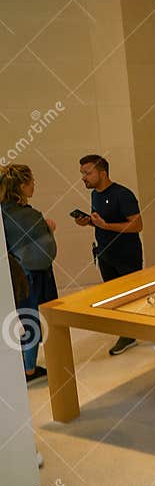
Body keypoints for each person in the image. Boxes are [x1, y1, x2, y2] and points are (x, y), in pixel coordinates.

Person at [75, 155, 151, 355]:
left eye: (87, 173)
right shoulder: (95, 195)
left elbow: (137, 224)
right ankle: (127, 334)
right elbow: (102, 222)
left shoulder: (122, 194)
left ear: (102, 173)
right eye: (82, 173)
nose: (83, 177)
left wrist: (106, 225)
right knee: (115, 299)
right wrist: (89, 222)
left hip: (127, 255)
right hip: (105, 254)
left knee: (136, 296)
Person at [1, 164, 57, 383]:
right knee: (32, 319)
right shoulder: (29, 215)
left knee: (21, 319)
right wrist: (49, 230)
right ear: (22, 185)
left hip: (10, 276)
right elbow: (46, 251)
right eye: (31, 181)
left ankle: (21, 365)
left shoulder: (3, 212)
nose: (34, 185)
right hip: (29, 276)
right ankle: (30, 370)